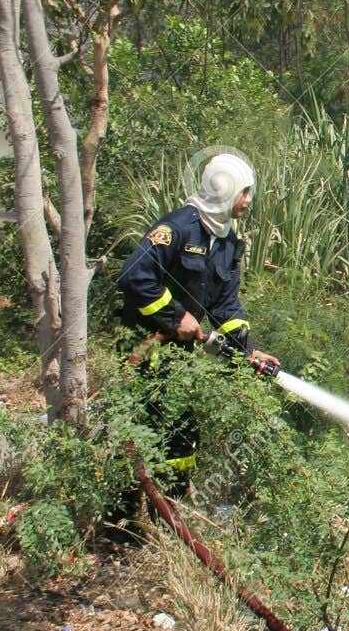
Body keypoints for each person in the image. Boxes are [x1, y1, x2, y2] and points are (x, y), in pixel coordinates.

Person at [118, 152, 279, 471]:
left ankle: (165, 511)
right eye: (244, 192)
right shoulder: (177, 228)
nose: (248, 200)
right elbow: (134, 276)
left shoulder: (226, 241)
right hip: (142, 351)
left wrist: (245, 352)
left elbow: (225, 305)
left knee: (180, 438)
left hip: (180, 358)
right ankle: (129, 514)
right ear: (227, 189)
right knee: (143, 435)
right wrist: (176, 317)